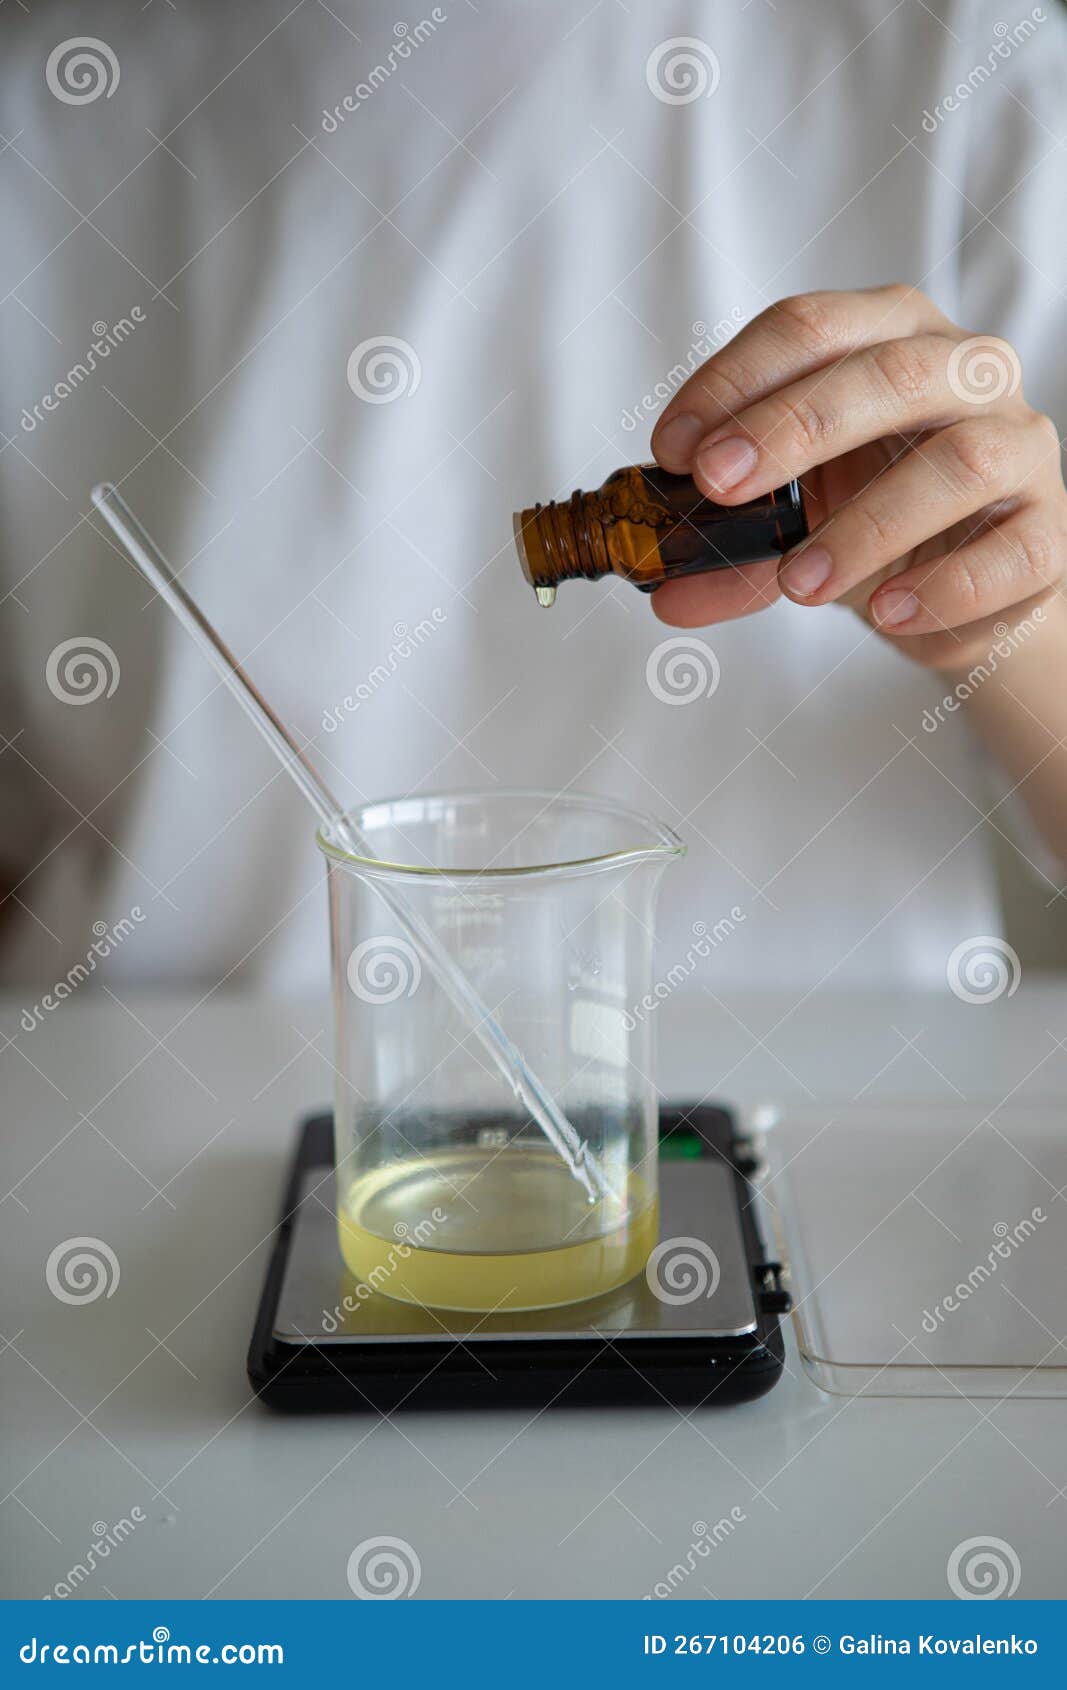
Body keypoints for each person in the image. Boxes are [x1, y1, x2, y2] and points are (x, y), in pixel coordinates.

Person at [1, 0, 1064, 997]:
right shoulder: (53, 110)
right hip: (158, 1121)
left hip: (843, 1129)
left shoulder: (963, 61)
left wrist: (1006, 624)